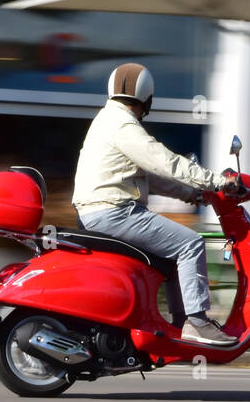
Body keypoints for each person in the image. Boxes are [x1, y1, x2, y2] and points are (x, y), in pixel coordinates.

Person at [72, 63, 240, 346]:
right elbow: (164, 162)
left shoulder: (108, 120)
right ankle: (197, 322)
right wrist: (216, 182)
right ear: (147, 98)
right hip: (114, 211)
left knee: (173, 255)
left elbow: (147, 175)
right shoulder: (123, 125)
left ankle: (180, 323)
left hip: (100, 211)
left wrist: (193, 195)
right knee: (190, 244)